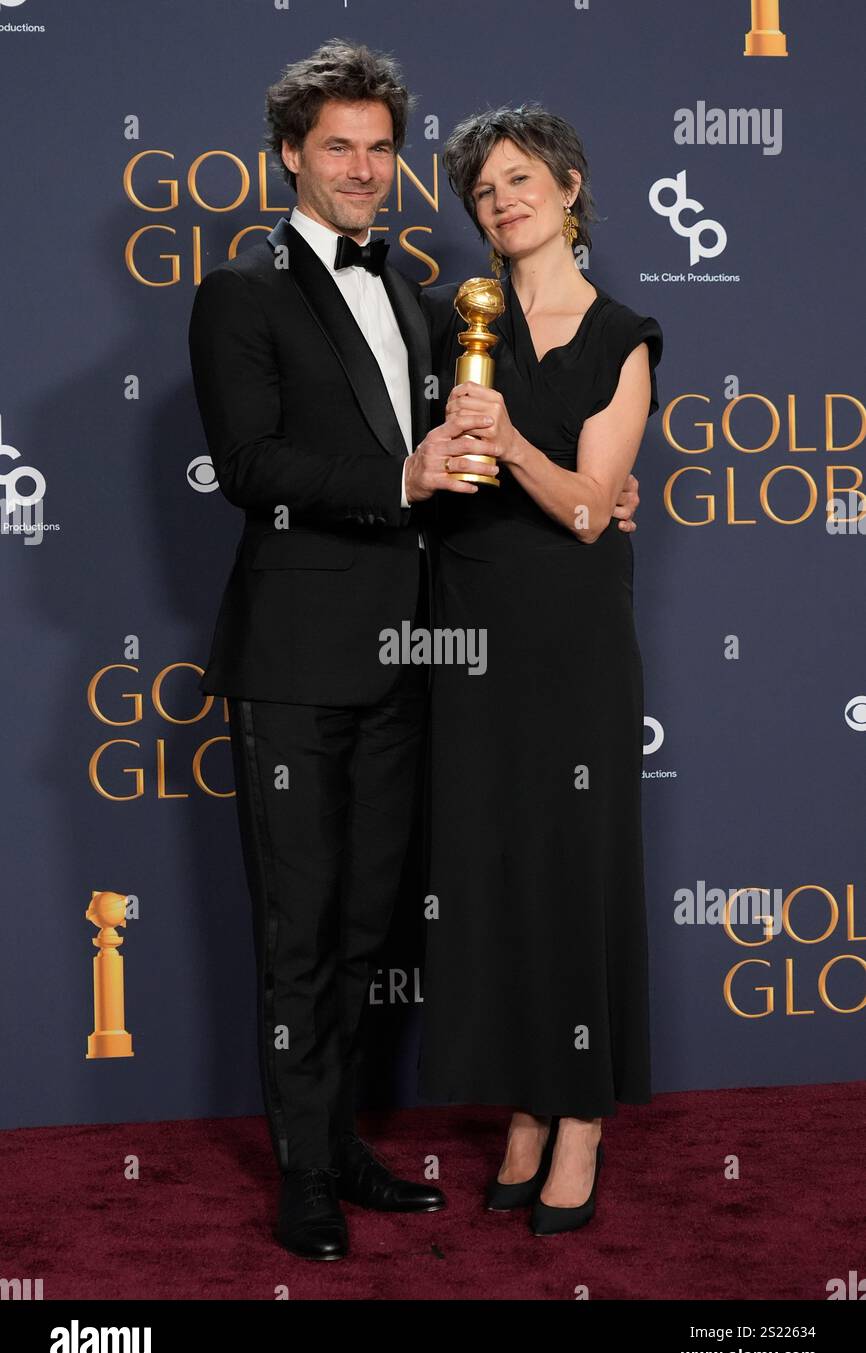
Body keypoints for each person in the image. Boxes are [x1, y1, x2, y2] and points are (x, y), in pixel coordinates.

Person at [186, 39, 503, 1262]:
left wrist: (577, 488)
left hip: (404, 658)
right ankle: (301, 1174)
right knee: (299, 933)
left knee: (370, 930)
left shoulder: (426, 303)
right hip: (292, 659)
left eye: (380, 149)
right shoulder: (238, 297)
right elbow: (251, 467)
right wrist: (398, 474)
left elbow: (460, 470)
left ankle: (345, 1140)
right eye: (339, 149)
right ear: (289, 158)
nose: (365, 169)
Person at [417, 104, 663, 1235]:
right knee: (492, 871)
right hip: (466, 633)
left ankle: (579, 1118)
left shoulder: (624, 336)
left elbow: (583, 509)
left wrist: (512, 439)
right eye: (481, 190)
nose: (500, 200)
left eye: (519, 179)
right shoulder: (446, 319)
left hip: (570, 641)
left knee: (573, 866)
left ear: (568, 186)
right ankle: (524, 1102)